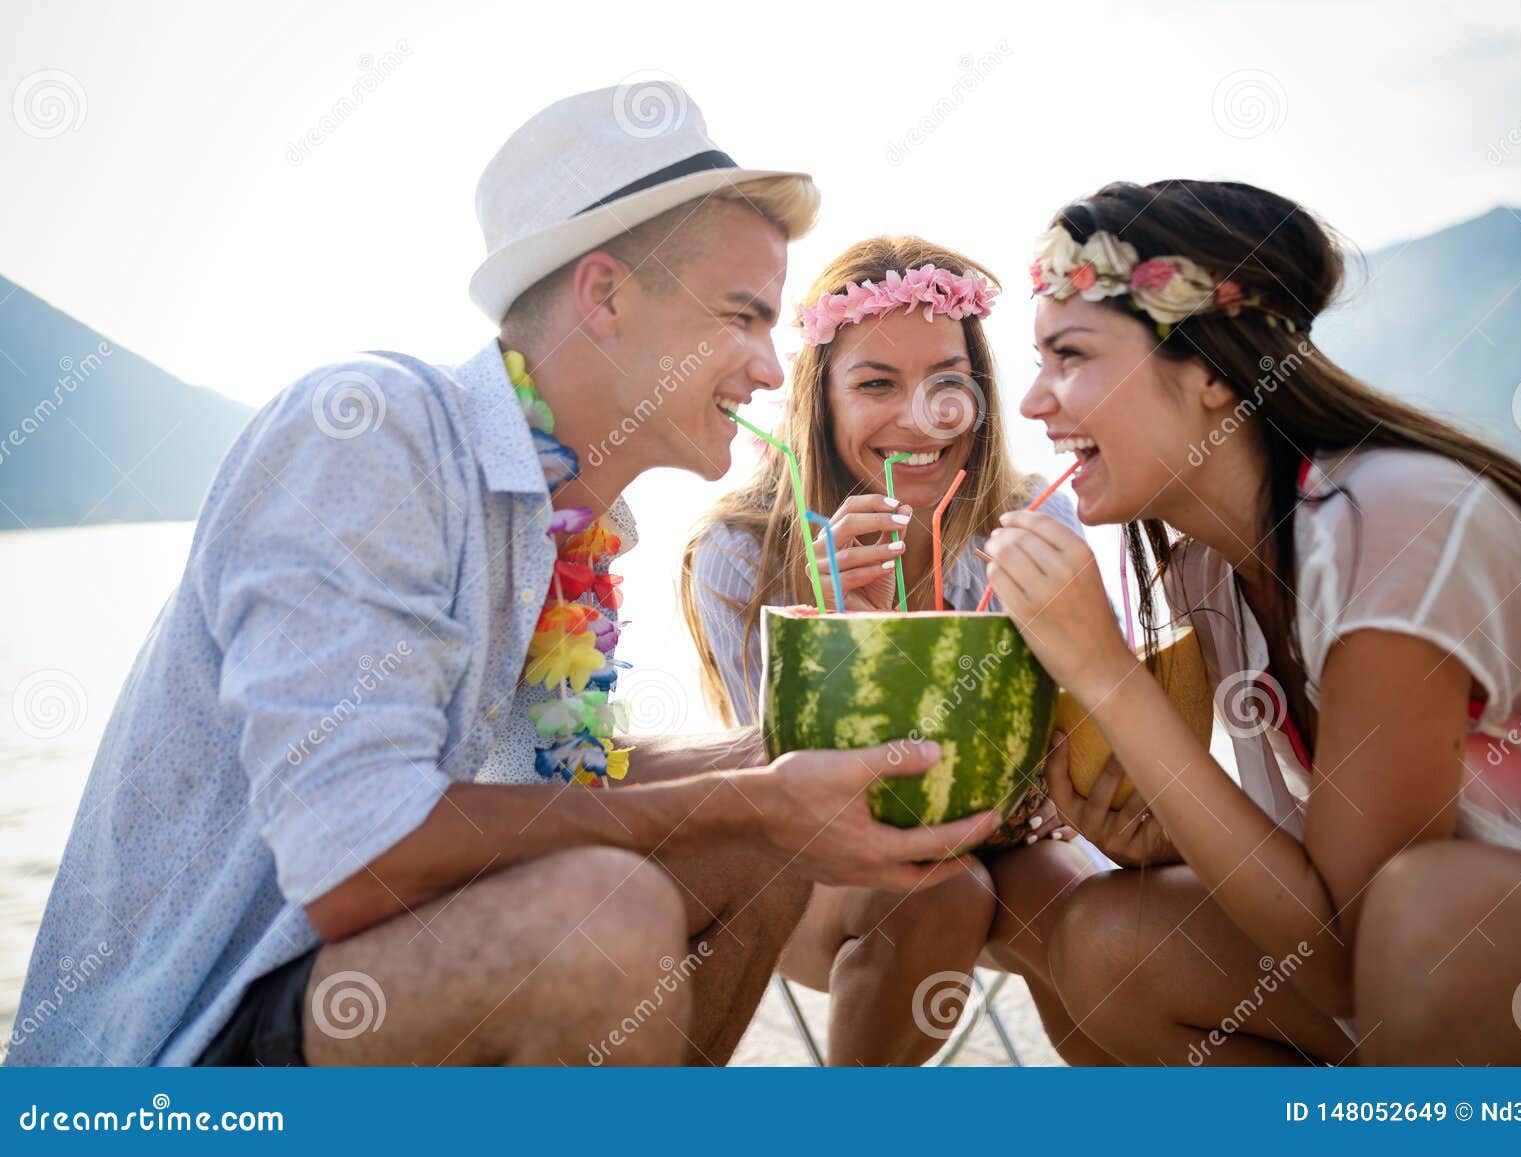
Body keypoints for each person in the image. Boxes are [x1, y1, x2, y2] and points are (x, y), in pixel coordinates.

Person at [4, 86, 1001, 1069]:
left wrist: (813, 738)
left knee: (763, 839)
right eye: (741, 317)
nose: (769, 370)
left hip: (383, 988)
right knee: (606, 915)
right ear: (603, 295)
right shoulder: (370, 427)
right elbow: (354, 857)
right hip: (180, 1053)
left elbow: (557, 782)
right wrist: (751, 797)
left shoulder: (571, 517)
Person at [985, 179, 1521, 1064]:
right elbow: (1341, 940)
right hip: (1459, 975)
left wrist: (1106, 673)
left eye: (1070, 355)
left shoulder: (1389, 520)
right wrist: (1184, 829)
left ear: (1212, 372)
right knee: (1107, 944)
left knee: (1428, 910)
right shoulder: (1210, 556)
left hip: (1507, 954)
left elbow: (1359, 963)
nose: (1035, 402)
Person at [683, 236, 1113, 1065]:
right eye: (877, 383)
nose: (921, 419)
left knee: (1087, 912)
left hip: (1007, 831)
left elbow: (1090, 724)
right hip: (815, 863)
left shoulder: (1031, 523)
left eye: (947, 383)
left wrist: (1070, 777)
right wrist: (849, 635)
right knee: (942, 895)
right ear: (823, 400)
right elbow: (781, 790)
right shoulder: (743, 551)